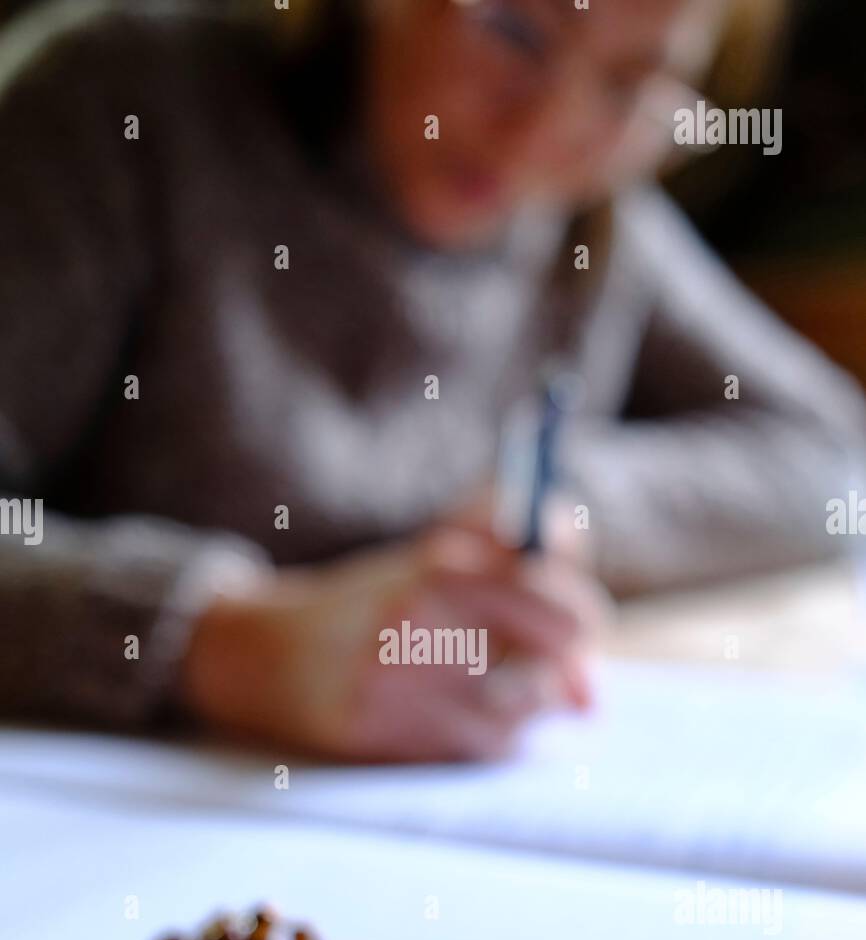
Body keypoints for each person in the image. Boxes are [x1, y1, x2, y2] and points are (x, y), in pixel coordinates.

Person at [0, 0, 862, 761]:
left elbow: (835, 455)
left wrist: (563, 501)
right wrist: (219, 641)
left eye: (634, 81)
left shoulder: (597, 216)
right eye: (513, 29)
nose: (540, 131)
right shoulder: (121, 105)